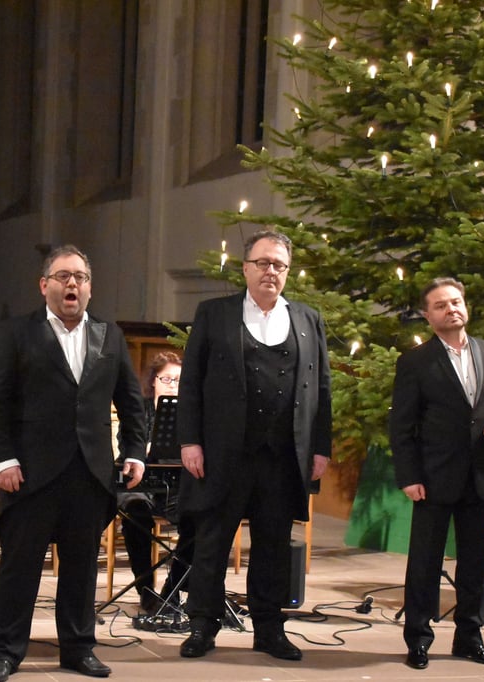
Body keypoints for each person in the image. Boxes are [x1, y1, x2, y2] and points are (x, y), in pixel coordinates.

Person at [0, 245, 147, 682]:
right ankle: (5, 650)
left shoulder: (109, 336)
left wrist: (133, 452)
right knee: (20, 567)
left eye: (80, 277)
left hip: (90, 473)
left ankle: (78, 648)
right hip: (30, 473)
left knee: (80, 568)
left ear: (90, 287)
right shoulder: (17, 333)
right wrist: (3, 461)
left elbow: (131, 402)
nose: (72, 284)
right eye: (63, 276)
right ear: (44, 285)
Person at [176, 229, 331, 662]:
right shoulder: (214, 314)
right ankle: (202, 627)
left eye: (279, 265)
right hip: (225, 450)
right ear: (245, 268)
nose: (270, 271)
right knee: (212, 543)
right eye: (262, 263)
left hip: (283, 455)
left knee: (273, 546)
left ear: (287, 272)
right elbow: (191, 383)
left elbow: (322, 387)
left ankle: (268, 629)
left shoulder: (307, 318)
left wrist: (320, 447)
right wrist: (190, 440)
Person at [389, 277, 484, 670]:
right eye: (442, 305)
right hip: (432, 476)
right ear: (428, 315)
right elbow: (402, 426)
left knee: (474, 562)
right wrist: (409, 476)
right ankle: (419, 639)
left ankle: (470, 637)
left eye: (457, 302)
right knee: (424, 562)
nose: (452, 309)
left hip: (479, 474)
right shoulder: (415, 362)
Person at [117, 351, 195, 613]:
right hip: (140, 482)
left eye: (178, 381)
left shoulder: (191, 413)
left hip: (178, 484)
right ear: (154, 381)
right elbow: (125, 445)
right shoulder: (138, 409)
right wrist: (144, 448)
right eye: (167, 379)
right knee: (135, 516)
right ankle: (146, 591)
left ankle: (172, 588)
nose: (173, 385)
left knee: (197, 517)